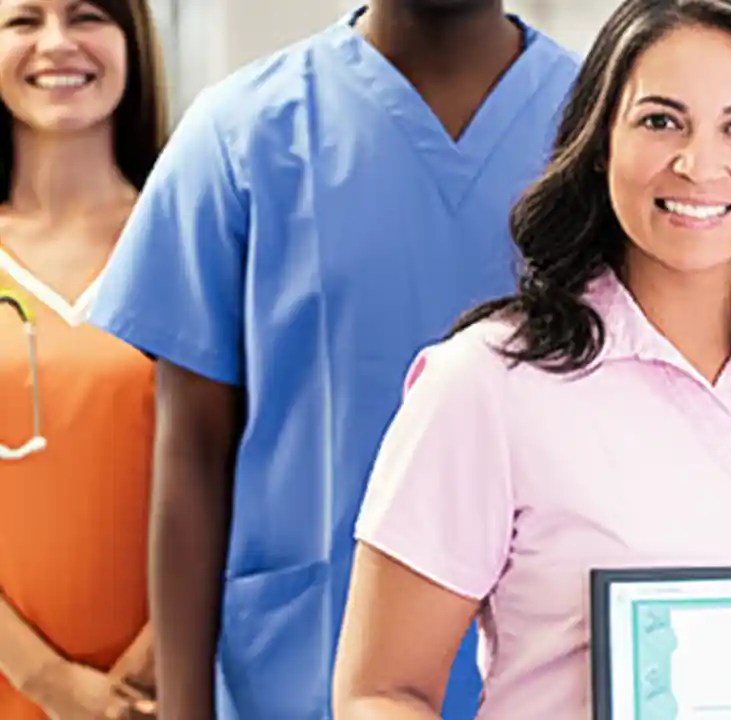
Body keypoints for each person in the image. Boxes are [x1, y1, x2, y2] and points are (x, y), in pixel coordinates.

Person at [330, 0, 731, 716]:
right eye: (661, 121)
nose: (699, 164)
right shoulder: (485, 384)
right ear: (601, 143)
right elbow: (380, 692)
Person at [86, 0, 579, 717]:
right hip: (296, 674)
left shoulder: (604, 131)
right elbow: (192, 446)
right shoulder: (240, 133)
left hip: (548, 675)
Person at [0, 0, 166, 718]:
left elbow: (254, 467)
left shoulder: (194, 238)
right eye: (23, 21)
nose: (57, 44)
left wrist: (157, 663)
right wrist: (52, 684)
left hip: (170, 684)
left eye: (87, 15)